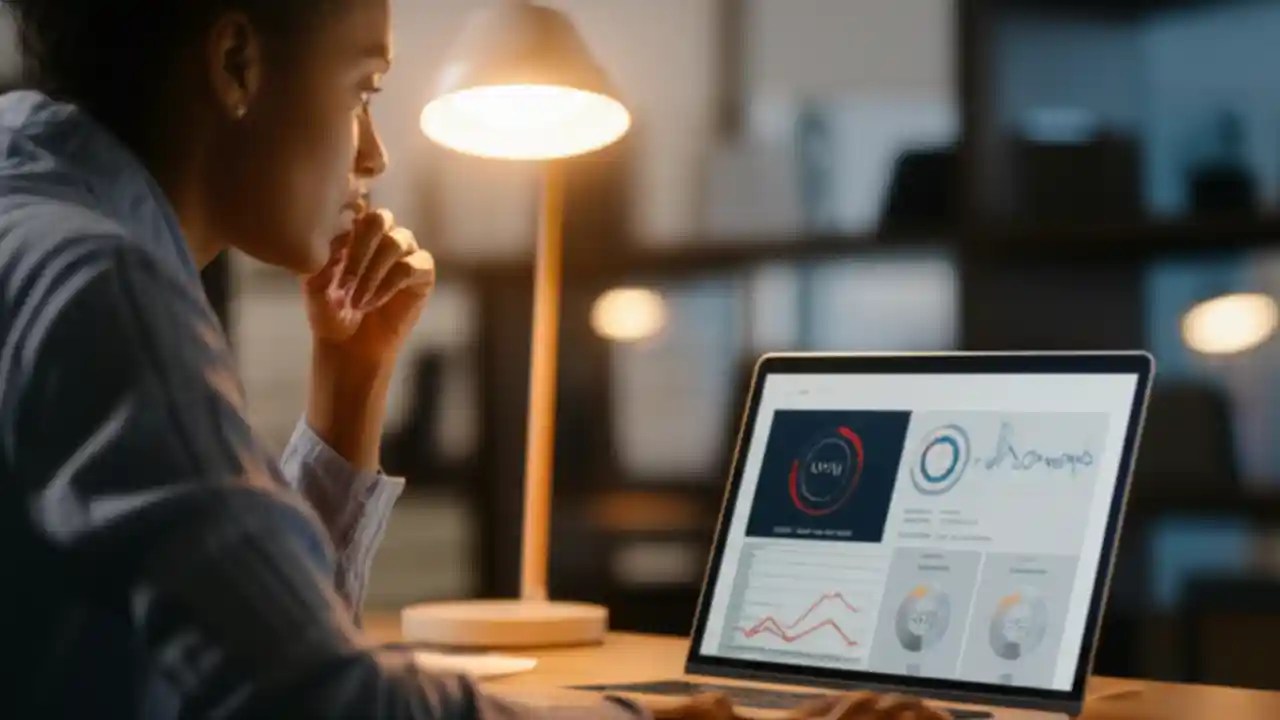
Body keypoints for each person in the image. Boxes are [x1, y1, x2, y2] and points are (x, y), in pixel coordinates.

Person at [0, 1, 950, 719]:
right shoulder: (96, 280)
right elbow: (313, 699)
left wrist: (353, 373)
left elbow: (266, 639)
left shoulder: (37, 222)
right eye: (361, 89)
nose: (370, 152)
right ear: (238, 61)